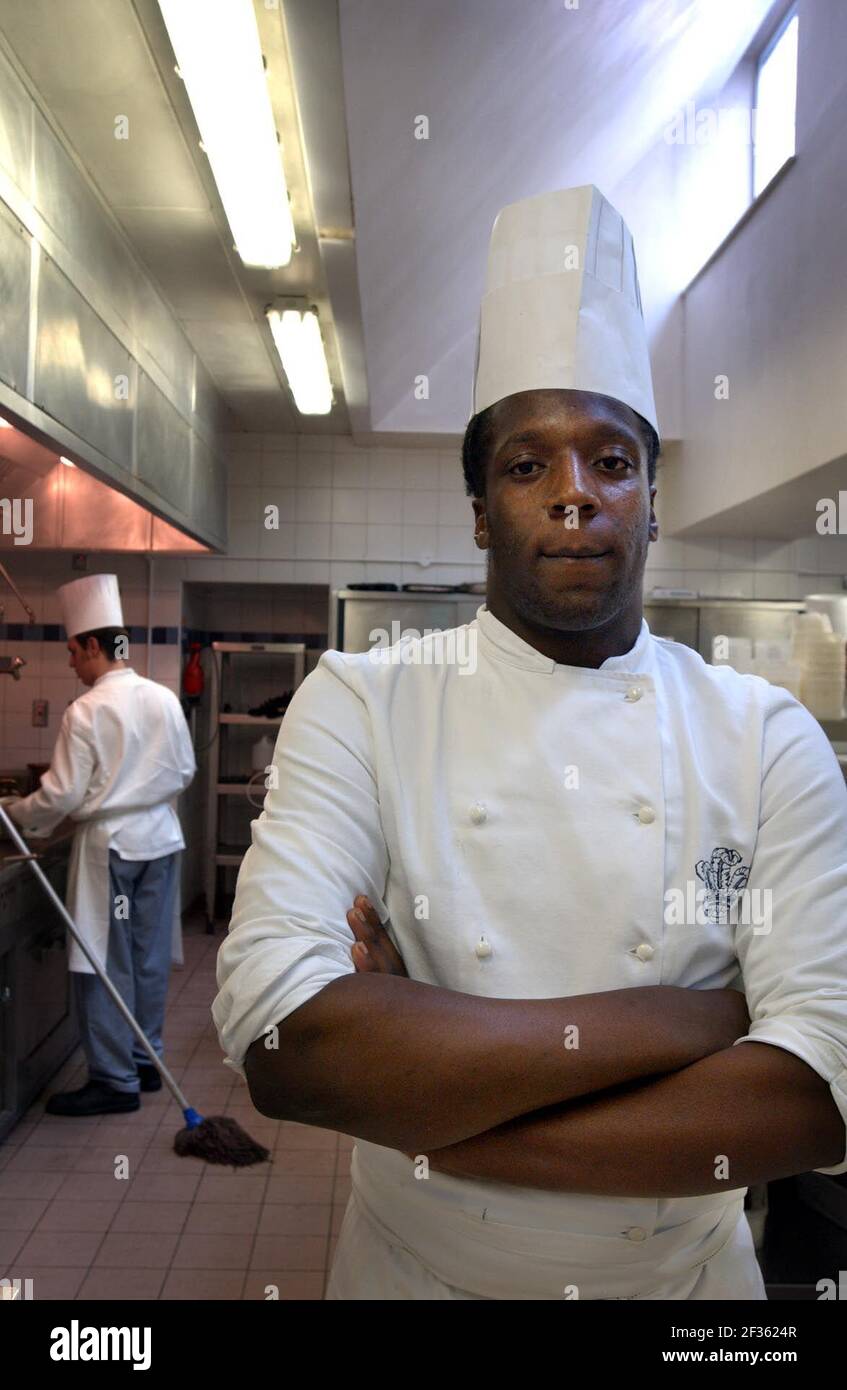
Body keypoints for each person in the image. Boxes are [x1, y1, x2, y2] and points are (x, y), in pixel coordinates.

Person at [212, 185, 847, 1300]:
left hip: (683, 1291)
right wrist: (700, 1018)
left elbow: (812, 1092)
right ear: (476, 507)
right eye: (526, 464)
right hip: (415, 1277)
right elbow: (282, 1039)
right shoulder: (365, 702)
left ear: (651, 501)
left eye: (611, 461)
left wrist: (432, 1102)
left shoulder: (761, 733)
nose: (573, 497)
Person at [5, 573, 196, 1116]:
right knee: (149, 957)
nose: (70, 663)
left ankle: (114, 1081)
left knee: (103, 960)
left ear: (94, 645)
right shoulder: (161, 698)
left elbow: (60, 796)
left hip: (110, 847)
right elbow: (183, 770)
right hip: (160, 840)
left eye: (72, 651)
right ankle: (143, 1060)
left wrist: (13, 817)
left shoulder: (85, 710)